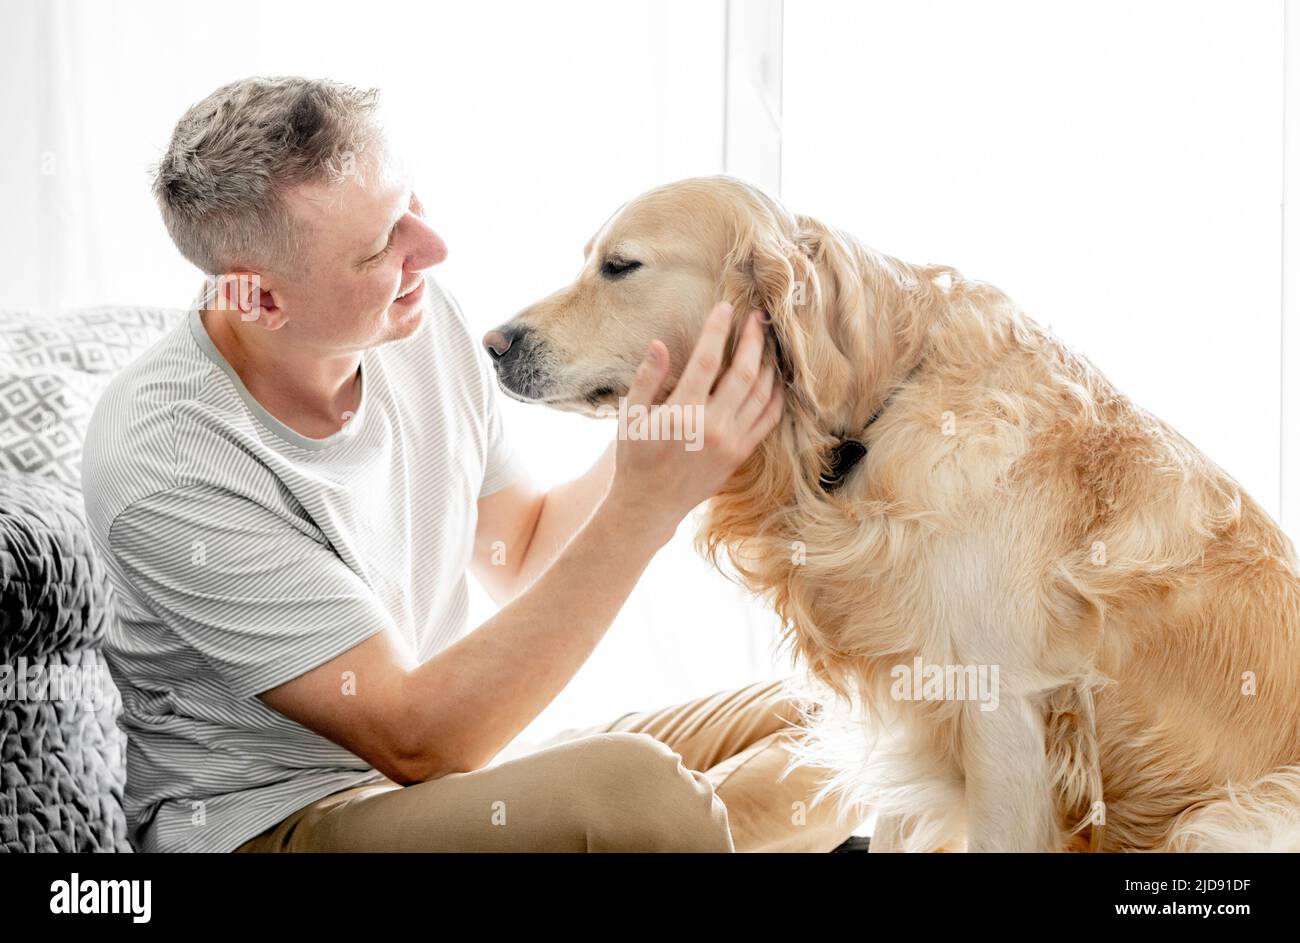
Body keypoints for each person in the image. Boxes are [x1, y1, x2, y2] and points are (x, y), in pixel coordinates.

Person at [81, 76, 861, 853]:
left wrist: (654, 446)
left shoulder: (417, 320)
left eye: (408, 204)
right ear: (261, 302)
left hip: (439, 784)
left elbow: (518, 550)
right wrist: (646, 507)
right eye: (382, 244)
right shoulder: (166, 458)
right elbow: (417, 738)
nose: (433, 248)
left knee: (842, 720)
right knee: (640, 792)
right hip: (277, 821)